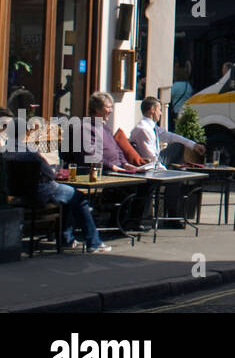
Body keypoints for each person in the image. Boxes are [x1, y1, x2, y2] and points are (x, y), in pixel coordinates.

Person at [0, 107, 110, 252]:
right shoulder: (30, 152)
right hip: (43, 192)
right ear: (25, 133)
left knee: (69, 198)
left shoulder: (5, 151)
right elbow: (49, 174)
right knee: (79, 197)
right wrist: (54, 173)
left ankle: (67, 239)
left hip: (19, 195)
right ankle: (93, 242)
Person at [130, 96, 205, 169]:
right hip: (149, 164)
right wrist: (163, 170)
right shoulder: (143, 129)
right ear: (153, 109)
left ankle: (179, 173)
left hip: (155, 160)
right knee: (178, 147)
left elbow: (171, 137)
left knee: (179, 145)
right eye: (159, 110)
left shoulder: (152, 127)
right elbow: (149, 158)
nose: (161, 113)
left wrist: (194, 145)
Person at [83, 92, 144, 173]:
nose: (111, 110)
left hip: (118, 168)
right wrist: (112, 166)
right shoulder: (86, 127)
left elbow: (117, 149)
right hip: (104, 171)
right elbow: (90, 155)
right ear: (97, 109)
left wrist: (125, 163)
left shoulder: (105, 128)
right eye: (108, 107)